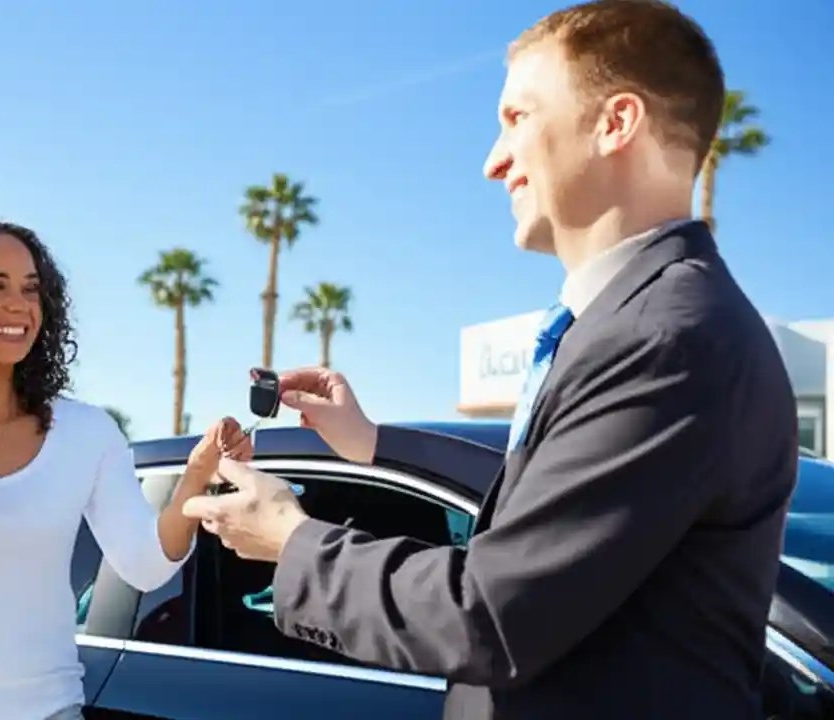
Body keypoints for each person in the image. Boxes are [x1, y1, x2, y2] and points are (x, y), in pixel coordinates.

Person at [183, 1, 798, 718]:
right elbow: (545, 526)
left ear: (616, 124)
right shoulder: (641, 323)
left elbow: (490, 615)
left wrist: (291, 541)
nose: (492, 161)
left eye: (518, 118)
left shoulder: (666, 337)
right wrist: (372, 444)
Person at [0, 211, 249, 720]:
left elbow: (144, 563)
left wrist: (193, 482)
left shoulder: (86, 433)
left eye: (31, 289)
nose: (19, 304)